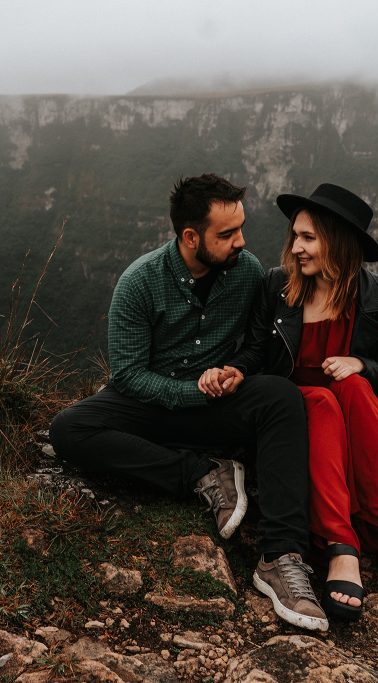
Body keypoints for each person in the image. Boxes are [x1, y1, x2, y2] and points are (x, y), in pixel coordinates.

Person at [51, 173, 329, 632]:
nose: (241, 242)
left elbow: (256, 346)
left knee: (281, 397)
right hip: (154, 405)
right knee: (68, 429)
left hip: (218, 405)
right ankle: (202, 474)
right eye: (227, 234)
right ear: (190, 236)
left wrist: (236, 369)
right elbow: (128, 374)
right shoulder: (139, 283)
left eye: (241, 228)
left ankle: (281, 556)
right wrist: (190, 390)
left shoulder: (249, 274)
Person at [203, 183, 378, 622]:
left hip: (350, 407)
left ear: (338, 243)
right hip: (294, 405)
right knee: (321, 399)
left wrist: (360, 362)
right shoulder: (277, 287)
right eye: (295, 236)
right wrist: (237, 371)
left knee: (357, 389)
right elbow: (255, 350)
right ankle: (341, 544)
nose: (296, 248)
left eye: (308, 238)